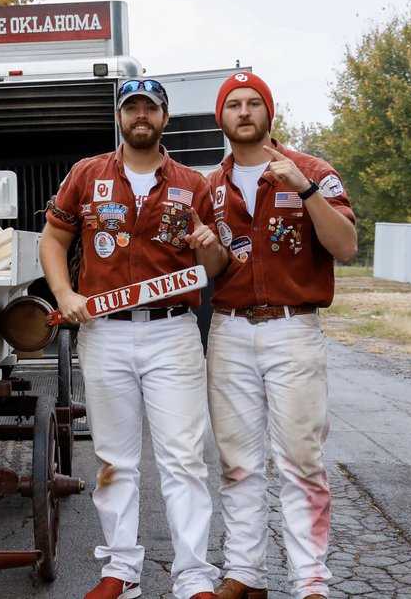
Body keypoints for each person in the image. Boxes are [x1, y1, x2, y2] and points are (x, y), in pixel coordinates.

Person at [40, 79, 228, 599]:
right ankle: (121, 571)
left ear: (164, 117)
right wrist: (64, 293)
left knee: (184, 457)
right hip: (105, 333)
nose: (141, 116)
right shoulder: (87, 174)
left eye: (151, 108)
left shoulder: (195, 183)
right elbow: (54, 239)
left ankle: (193, 575)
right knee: (114, 458)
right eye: (132, 108)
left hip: (172, 332)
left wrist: (209, 247)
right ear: (120, 117)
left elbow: (216, 266)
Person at [206, 72, 357, 599]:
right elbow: (210, 264)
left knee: (300, 459)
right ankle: (244, 573)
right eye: (234, 105)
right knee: (237, 461)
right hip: (229, 331)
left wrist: (306, 190)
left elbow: (345, 246)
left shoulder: (313, 171)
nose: (244, 112)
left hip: (293, 330)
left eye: (254, 104)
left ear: (269, 114)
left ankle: (311, 580)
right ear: (221, 118)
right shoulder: (209, 187)